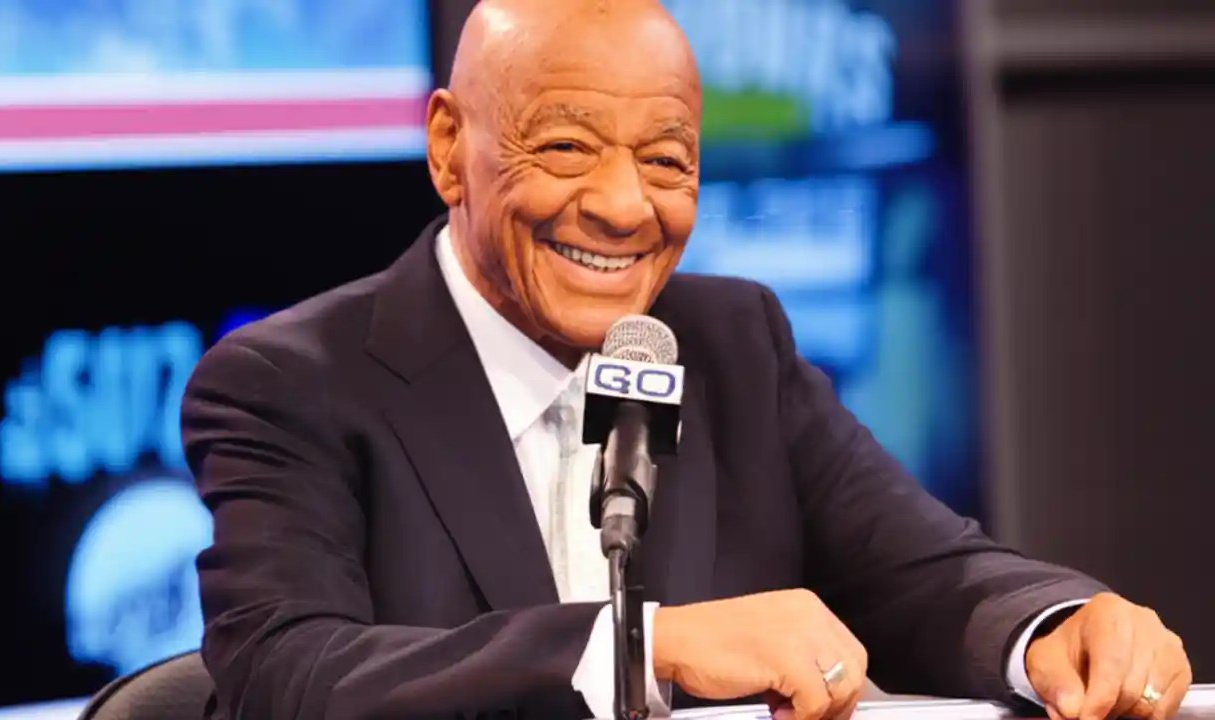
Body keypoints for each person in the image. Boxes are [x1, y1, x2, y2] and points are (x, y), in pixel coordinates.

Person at [180, 1, 1192, 718]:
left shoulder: (732, 343)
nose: (624, 208)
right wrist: (642, 647)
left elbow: (927, 572)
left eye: (666, 161)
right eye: (568, 148)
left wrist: (1054, 625)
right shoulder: (288, 383)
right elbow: (286, 675)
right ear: (450, 148)